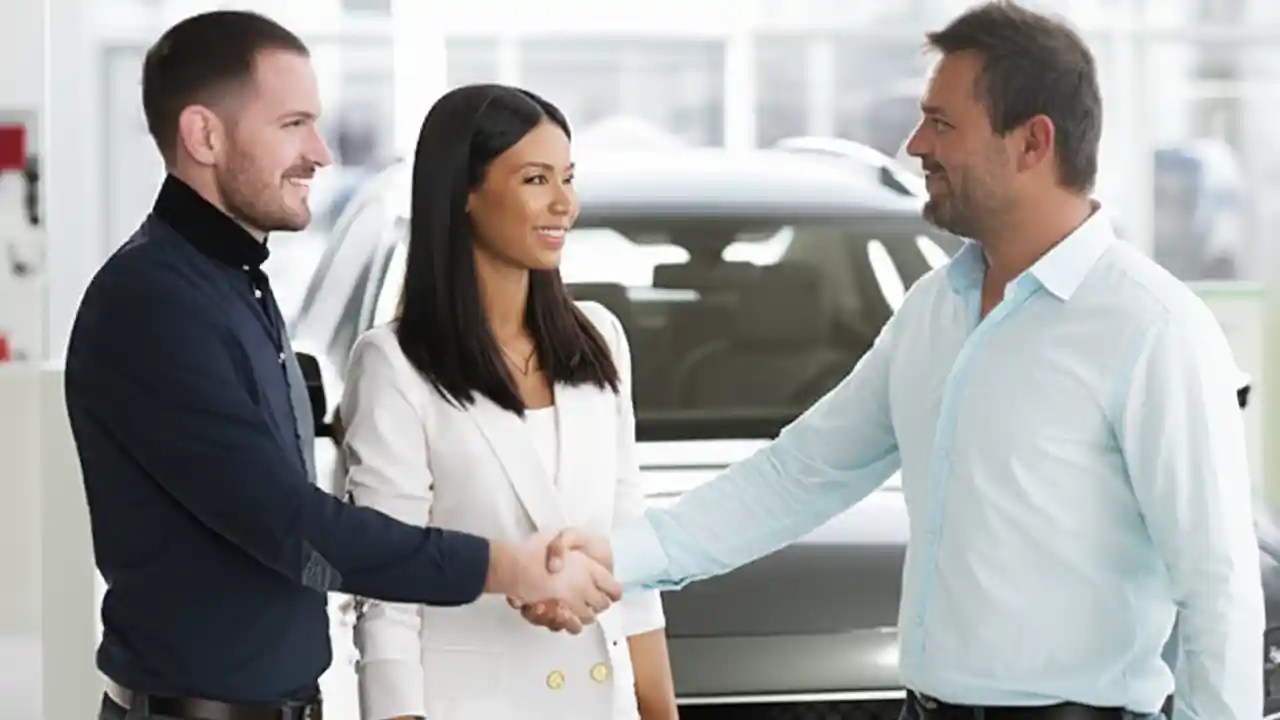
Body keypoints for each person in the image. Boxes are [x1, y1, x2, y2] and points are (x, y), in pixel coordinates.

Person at [536, 2, 1265, 719]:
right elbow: (800, 473)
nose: (916, 143)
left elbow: (1218, 584)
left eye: (943, 122)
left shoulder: (1151, 327)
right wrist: (613, 558)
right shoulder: (933, 309)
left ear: (1033, 143)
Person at [64, 12, 619, 720]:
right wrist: (505, 565)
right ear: (204, 135)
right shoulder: (154, 303)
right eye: (294, 124)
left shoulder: (235, 282)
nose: (321, 152)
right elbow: (291, 529)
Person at [337, 83, 677, 720]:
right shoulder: (395, 364)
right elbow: (387, 592)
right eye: (535, 179)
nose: (563, 203)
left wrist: (659, 707)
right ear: (464, 192)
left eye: (568, 178)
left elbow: (628, 543)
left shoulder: (599, 338)